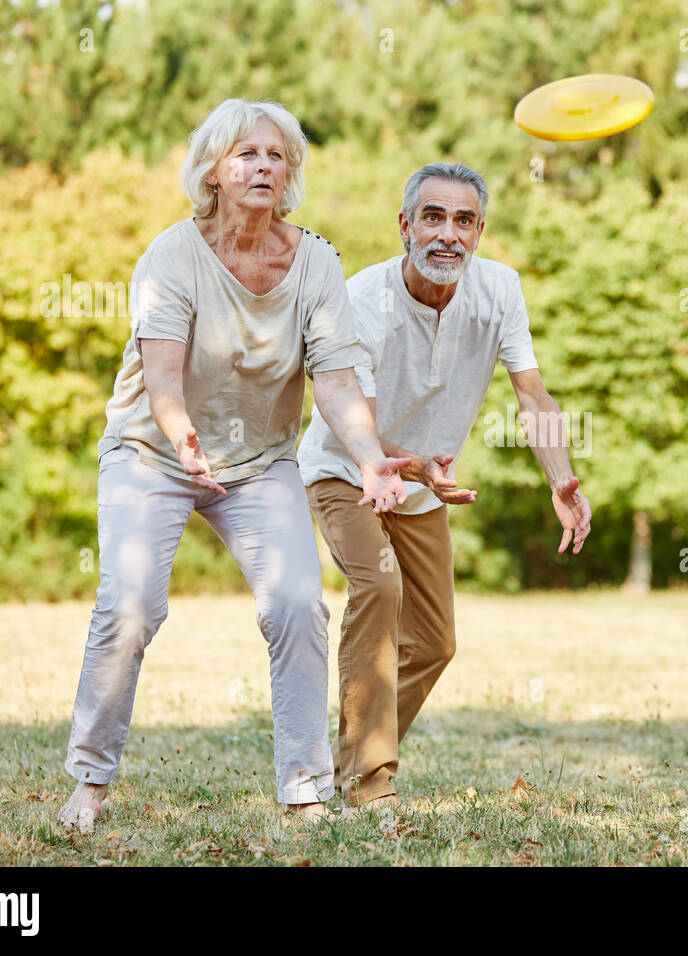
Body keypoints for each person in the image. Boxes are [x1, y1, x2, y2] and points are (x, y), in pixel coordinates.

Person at [58, 99, 409, 829]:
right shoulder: (172, 255)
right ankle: (88, 782)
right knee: (130, 606)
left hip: (256, 464)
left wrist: (374, 460)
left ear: (291, 174)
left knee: (295, 606)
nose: (263, 167)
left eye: (277, 156)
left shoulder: (315, 262)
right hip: (153, 454)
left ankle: (305, 791)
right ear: (213, 170)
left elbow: (338, 380)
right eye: (246, 154)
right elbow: (161, 378)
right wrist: (183, 437)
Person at [297, 162, 592, 811]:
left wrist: (561, 479)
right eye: (432, 217)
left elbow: (533, 394)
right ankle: (368, 785)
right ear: (405, 226)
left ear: (480, 232)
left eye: (464, 220)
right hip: (348, 468)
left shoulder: (500, 292)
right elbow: (357, 421)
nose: (447, 235)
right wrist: (404, 465)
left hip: (423, 486)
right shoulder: (365, 300)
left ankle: (346, 757)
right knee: (378, 587)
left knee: (434, 641)